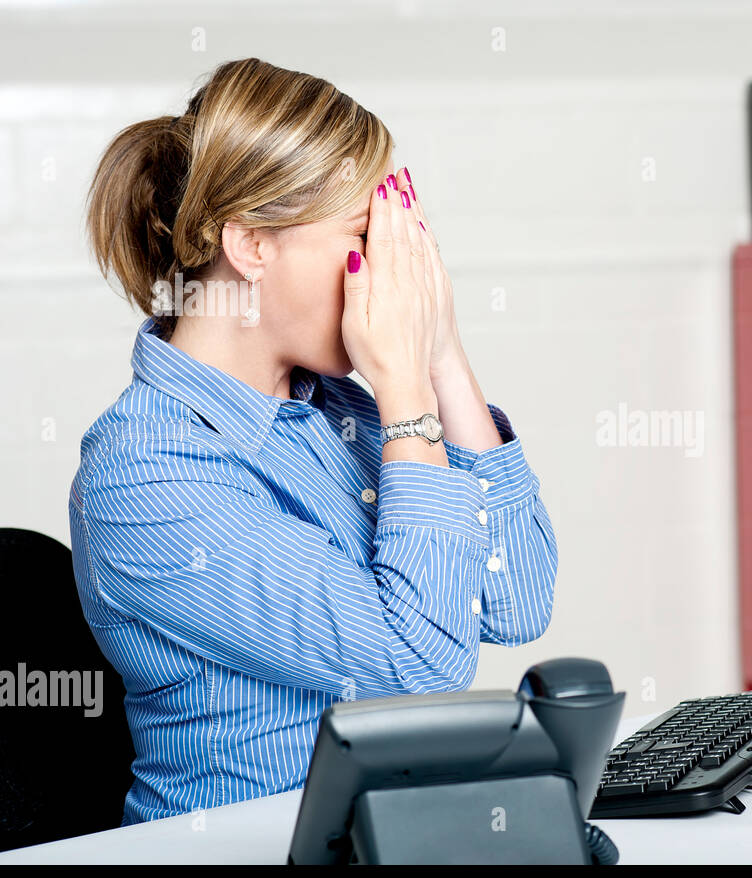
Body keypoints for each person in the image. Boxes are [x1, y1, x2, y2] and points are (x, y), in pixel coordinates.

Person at [70, 57, 557, 825]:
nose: (393, 271)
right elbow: (417, 665)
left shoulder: (333, 407)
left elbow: (517, 597)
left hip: (386, 835)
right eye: (367, 236)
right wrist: (404, 397)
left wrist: (439, 349)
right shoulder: (144, 473)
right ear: (252, 243)